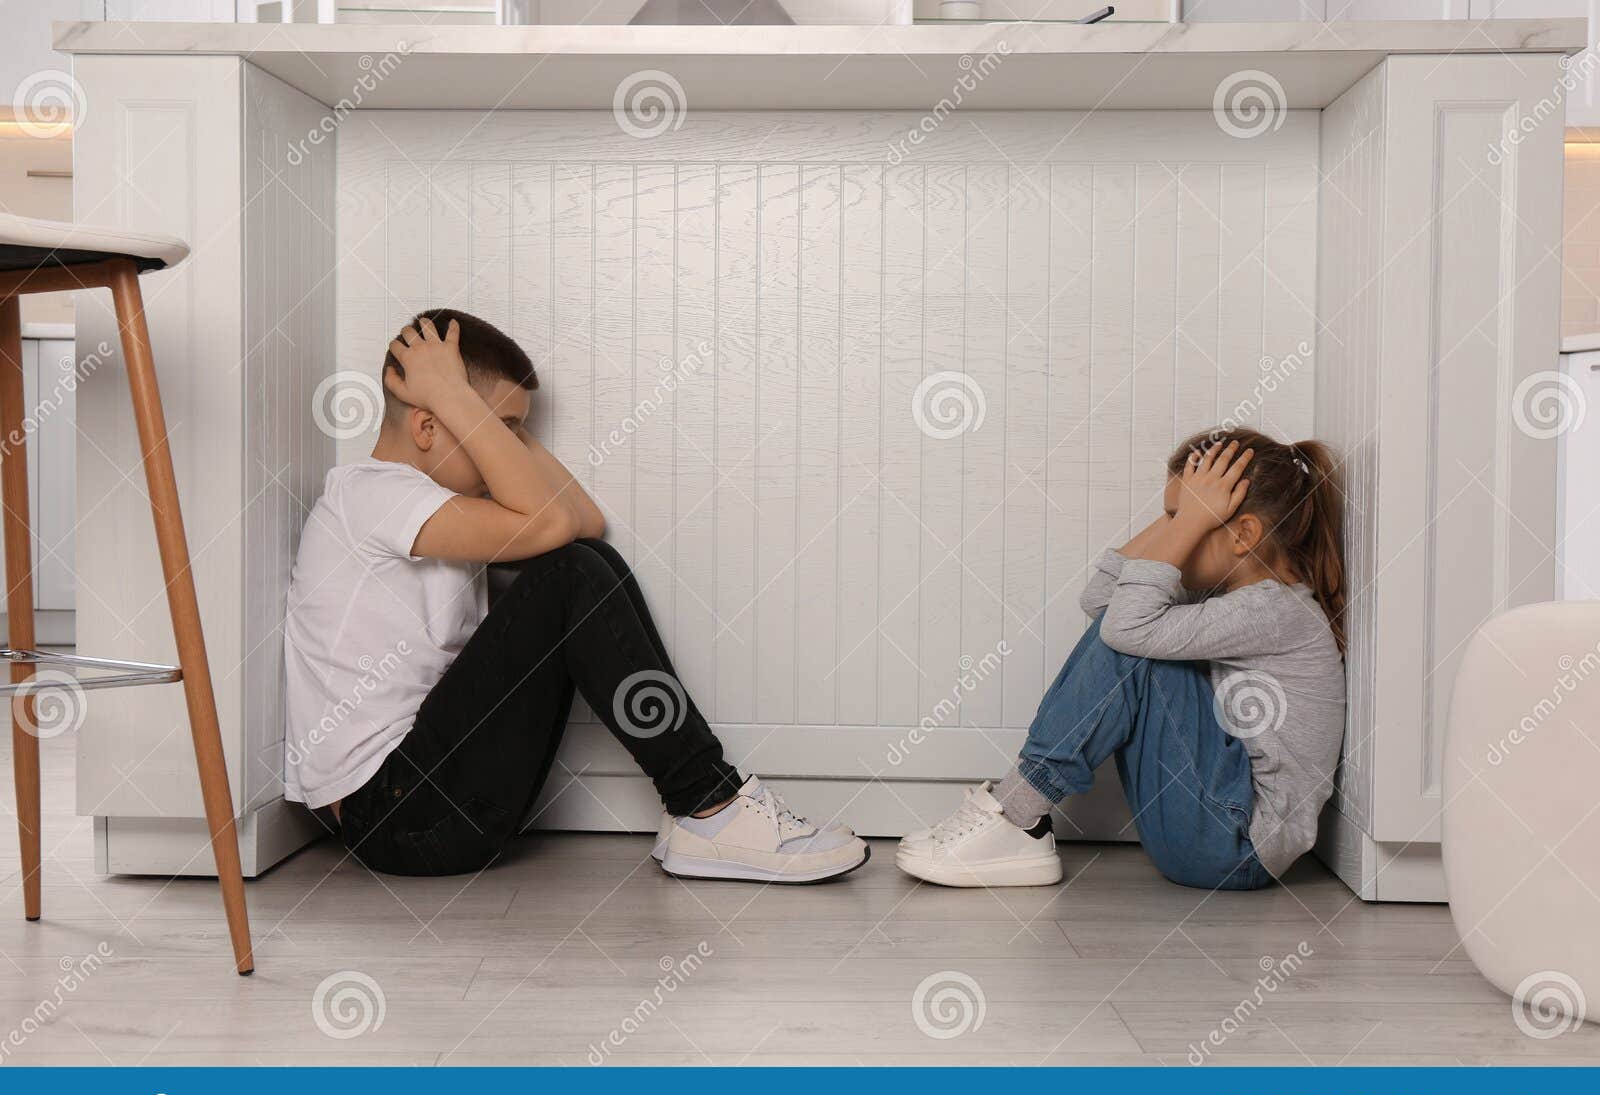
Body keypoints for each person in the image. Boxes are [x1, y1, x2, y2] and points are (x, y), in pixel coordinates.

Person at [283, 309, 868, 883]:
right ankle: (708, 806)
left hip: (426, 805)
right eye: (501, 429)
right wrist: (458, 398)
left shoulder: (422, 506)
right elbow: (550, 528)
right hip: (394, 813)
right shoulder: (370, 494)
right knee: (568, 573)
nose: (505, 445)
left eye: (513, 432)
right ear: (429, 426)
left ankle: (704, 808)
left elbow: (581, 521)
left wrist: (473, 409)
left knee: (586, 562)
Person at [895, 429, 1347, 891]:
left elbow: (1122, 629)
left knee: (1134, 637)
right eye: (1173, 519)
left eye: (1185, 521)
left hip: (1235, 844)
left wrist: (1187, 519)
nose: (1175, 531)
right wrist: (1185, 516)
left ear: (1244, 535)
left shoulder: (1273, 610)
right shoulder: (1228, 596)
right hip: (1213, 834)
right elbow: (1102, 602)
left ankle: (1018, 814)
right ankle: (1021, 816)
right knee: (1129, 627)